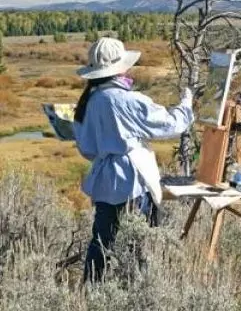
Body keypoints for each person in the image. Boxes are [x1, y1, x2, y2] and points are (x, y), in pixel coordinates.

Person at [73, 37, 194, 283]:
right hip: (131, 182)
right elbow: (170, 124)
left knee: (101, 241)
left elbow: (87, 149)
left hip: (104, 182)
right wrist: (187, 105)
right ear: (120, 68)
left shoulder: (89, 101)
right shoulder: (125, 99)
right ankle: (137, 291)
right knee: (139, 244)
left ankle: (92, 291)